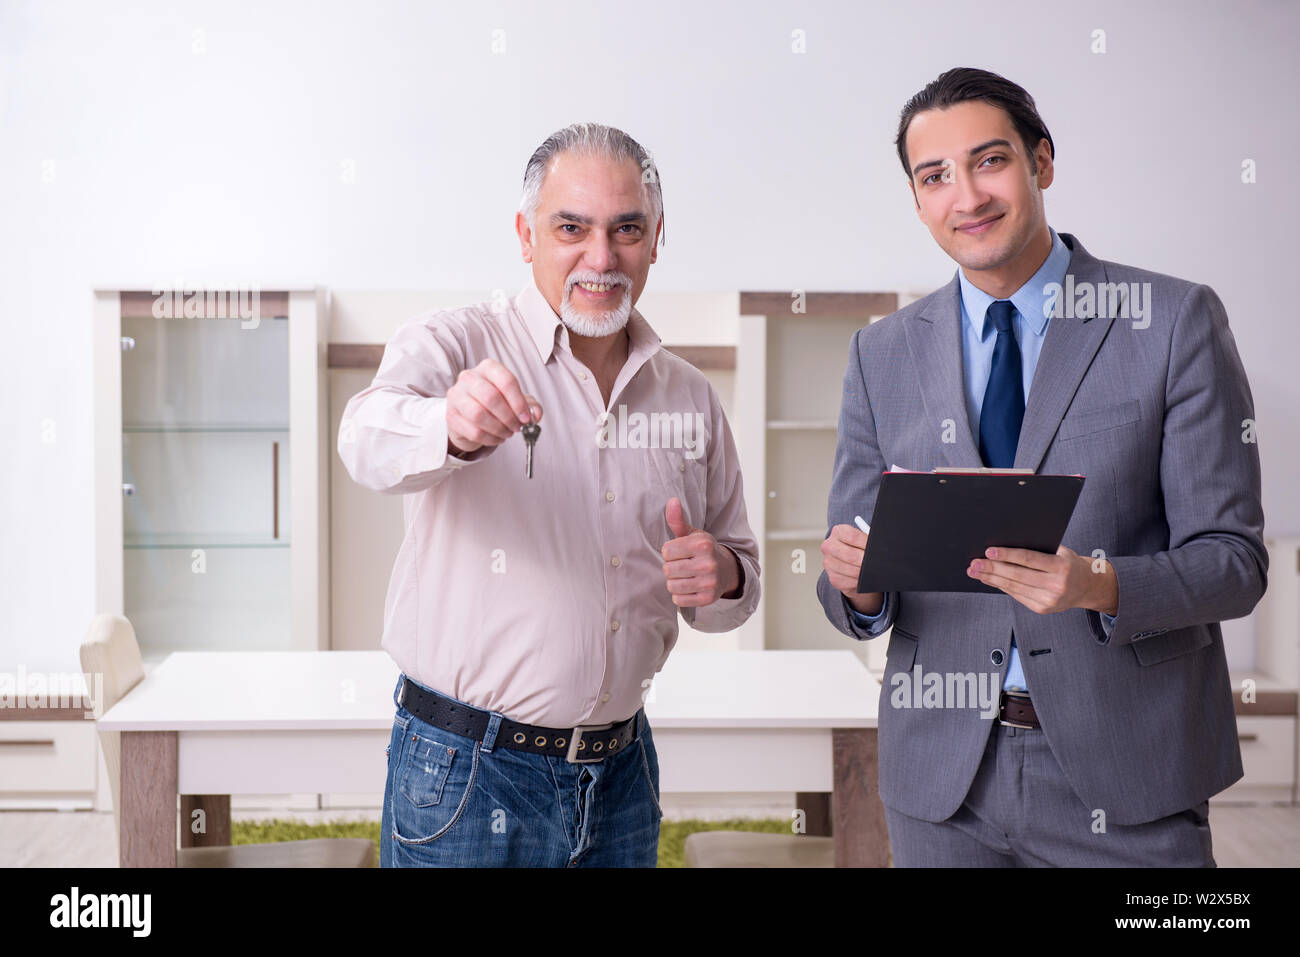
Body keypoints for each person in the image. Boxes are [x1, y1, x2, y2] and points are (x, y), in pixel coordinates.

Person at [816, 67, 1266, 866]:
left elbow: (1234, 562)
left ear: (1041, 163)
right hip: (941, 785)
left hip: (1129, 774)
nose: (967, 196)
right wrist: (856, 583)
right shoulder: (881, 352)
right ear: (918, 200)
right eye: (936, 176)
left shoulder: (1170, 321)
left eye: (990, 161)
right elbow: (852, 573)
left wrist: (1100, 582)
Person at [338, 122, 760, 867]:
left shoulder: (689, 397)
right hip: (467, 774)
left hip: (622, 775)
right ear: (526, 235)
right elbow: (364, 439)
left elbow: (738, 576)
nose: (602, 258)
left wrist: (721, 575)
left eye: (626, 229)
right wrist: (449, 425)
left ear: (656, 237)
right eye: (573, 227)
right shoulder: (457, 344)